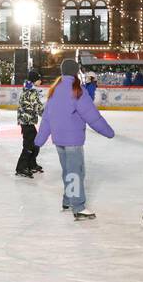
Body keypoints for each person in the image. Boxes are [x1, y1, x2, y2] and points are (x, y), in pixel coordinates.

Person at [33, 59, 113, 219]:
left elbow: (46, 118)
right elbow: (92, 116)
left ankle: (68, 200)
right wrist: (108, 132)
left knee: (68, 171)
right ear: (76, 72)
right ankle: (78, 207)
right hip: (73, 141)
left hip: (59, 141)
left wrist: (39, 140)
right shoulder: (77, 90)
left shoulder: (54, 90)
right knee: (76, 172)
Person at [15, 69, 45, 177]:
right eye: (39, 79)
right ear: (34, 80)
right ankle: (21, 168)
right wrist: (47, 116)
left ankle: (31, 164)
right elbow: (38, 107)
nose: (41, 81)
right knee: (29, 145)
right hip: (26, 121)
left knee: (35, 143)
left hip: (28, 121)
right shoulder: (31, 91)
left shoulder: (30, 89)